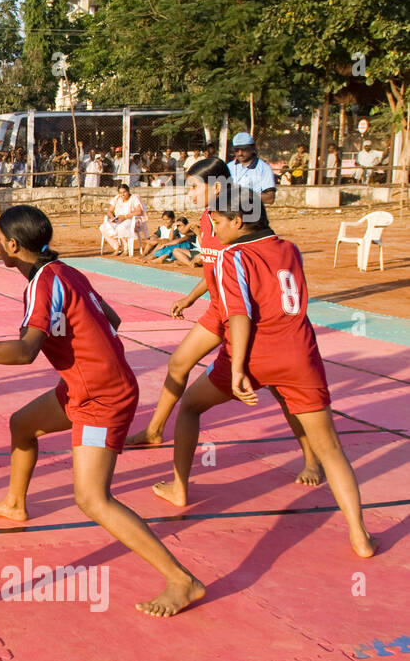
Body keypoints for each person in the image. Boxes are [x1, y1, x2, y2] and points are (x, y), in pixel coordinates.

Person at [0, 204, 206, 617]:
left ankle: (183, 581)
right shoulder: (64, 272)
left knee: (93, 499)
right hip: (82, 387)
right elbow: (112, 318)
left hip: (102, 398)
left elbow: (25, 353)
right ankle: (14, 503)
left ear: (12, 244)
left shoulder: (44, 283)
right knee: (22, 424)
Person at [150, 195, 376, 560]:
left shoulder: (233, 256)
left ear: (238, 221)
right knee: (332, 449)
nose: (215, 229)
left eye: (219, 223)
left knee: (189, 406)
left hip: (257, 353)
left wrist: (238, 367)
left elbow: (239, 315)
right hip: (301, 354)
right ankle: (360, 535)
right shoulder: (291, 249)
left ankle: (179, 488)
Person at [126, 158, 322, 483]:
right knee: (178, 364)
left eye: (193, 187)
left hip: (241, 315)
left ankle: (312, 457)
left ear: (216, 187)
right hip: (219, 309)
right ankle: (154, 430)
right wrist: (190, 297)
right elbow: (214, 268)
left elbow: (243, 271)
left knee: (279, 388)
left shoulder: (232, 221)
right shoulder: (209, 219)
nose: (188, 195)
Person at [228, 132, 276, 205]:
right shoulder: (228, 167)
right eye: (236, 150)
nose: (240, 153)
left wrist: (245, 195)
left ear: (252, 148)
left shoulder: (264, 168)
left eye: (244, 149)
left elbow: (270, 199)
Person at [100, 183, 148, 254]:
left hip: (131, 220)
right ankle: (116, 247)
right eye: (120, 193)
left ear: (128, 191)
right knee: (103, 227)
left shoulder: (134, 198)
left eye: (124, 192)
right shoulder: (117, 198)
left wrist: (125, 216)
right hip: (118, 220)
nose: (122, 194)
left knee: (121, 227)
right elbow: (109, 211)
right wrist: (113, 218)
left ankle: (126, 249)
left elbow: (139, 211)